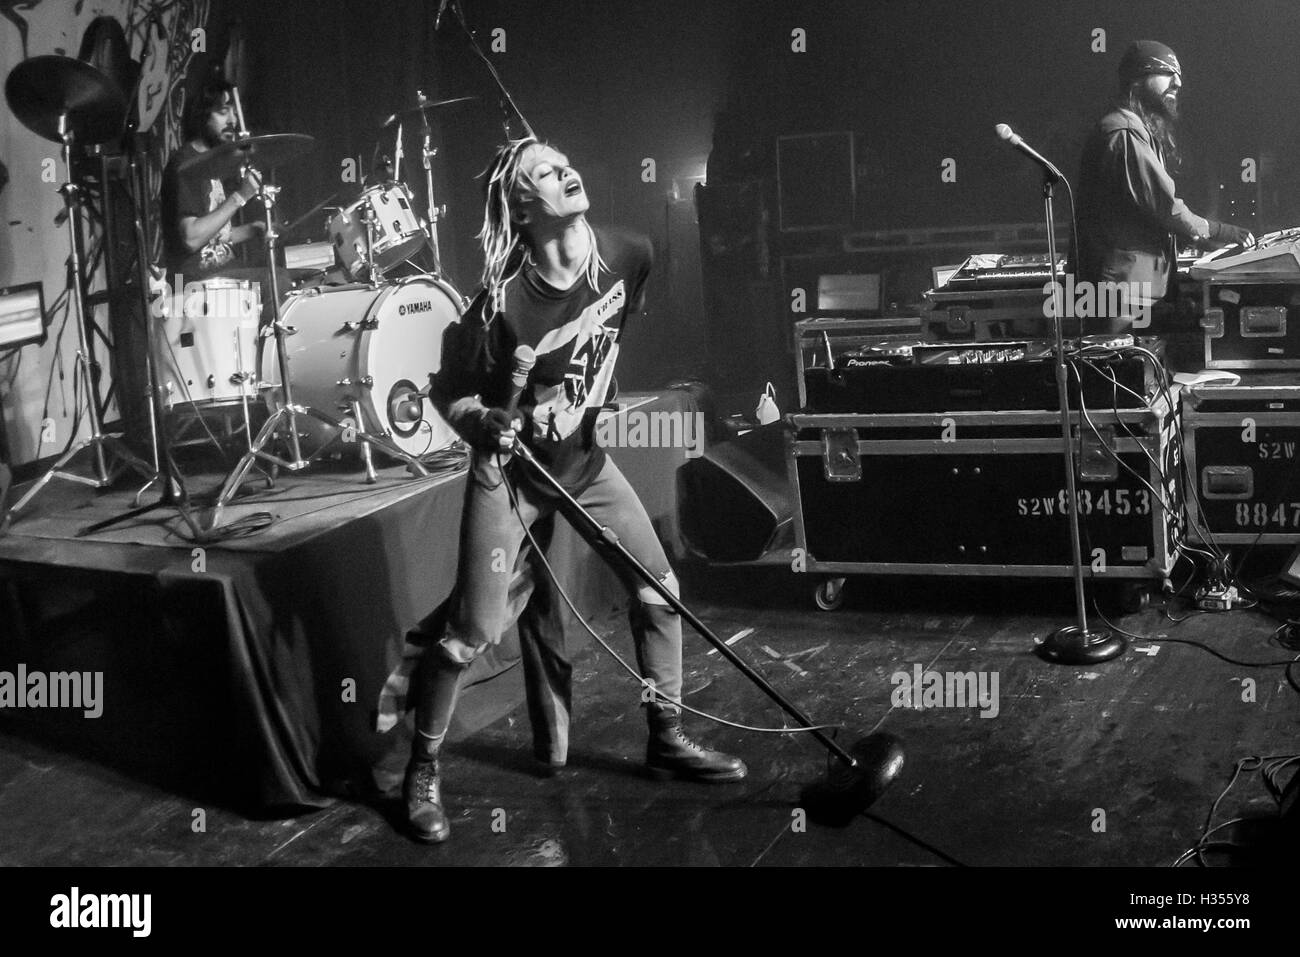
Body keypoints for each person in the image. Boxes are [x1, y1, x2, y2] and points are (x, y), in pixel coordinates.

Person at [403, 138, 747, 843]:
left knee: (660, 590)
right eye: (543, 173)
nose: (565, 170)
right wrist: (483, 421)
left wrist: (594, 393)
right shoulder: (499, 305)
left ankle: (666, 735)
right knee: (470, 633)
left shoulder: (631, 252)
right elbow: (449, 392)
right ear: (521, 208)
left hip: (587, 465)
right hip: (512, 476)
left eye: (565, 162)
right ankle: (420, 768)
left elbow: (617, 328)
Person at [1074, 40, 1253, 329]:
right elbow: (1165, 207)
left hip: (1129, 285)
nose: (1178, 82)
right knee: (1119, 368)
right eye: (1167, 73)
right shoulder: (1124, 133)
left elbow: (1138, 213)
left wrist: (1198, 240)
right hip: (1120, 290)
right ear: (1137, 78)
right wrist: (1222, 231)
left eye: (1179, 74)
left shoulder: (1135, 130)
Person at [159, 78, 266, 285]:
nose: (232, 121)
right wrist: (239, 197)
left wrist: (254, 229)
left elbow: (216, 237)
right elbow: (191, 239)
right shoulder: (185, 165)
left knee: (298, 276)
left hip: (223, 273)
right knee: (278, 281)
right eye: (223, 112)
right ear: (203, 116)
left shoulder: (214, 164)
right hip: (194, 282)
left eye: (234, 112)